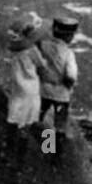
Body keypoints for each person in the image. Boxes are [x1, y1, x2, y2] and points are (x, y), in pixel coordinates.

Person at [4, 14, 46, 165]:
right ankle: (46, 152)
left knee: (13, 120)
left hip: (17, 90)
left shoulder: (15, 51)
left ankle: (8, 153)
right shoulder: (33, 50)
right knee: (32, 124)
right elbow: (42, 65)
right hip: (33, 90)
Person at [37, 17, 80, 151]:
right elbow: (71, 75)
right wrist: (69, 86)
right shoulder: (68, 53)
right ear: (69, 36)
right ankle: (54, 155)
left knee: (40, 118)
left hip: (42, 89)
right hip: (61, 95)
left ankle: (42, 146)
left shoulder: (42, 45)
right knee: (59, 125)